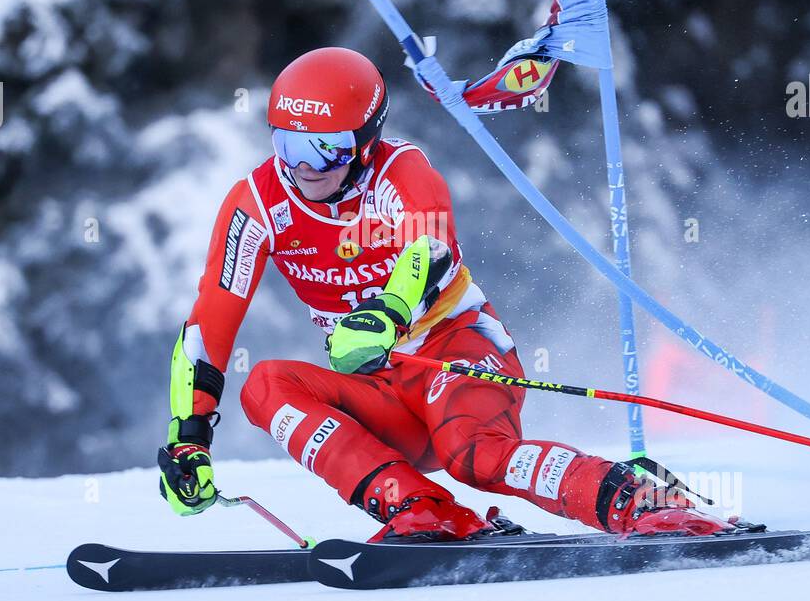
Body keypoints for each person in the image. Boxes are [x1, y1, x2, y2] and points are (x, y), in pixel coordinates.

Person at [158, 46, 730, 540]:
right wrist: (189, 438)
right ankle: (422, 511)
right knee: (266, 385)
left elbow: (428, 250)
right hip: (384, 390)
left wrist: (387, 312)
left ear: (364, 141)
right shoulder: (258, 204)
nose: (304, 169)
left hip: (458, 352)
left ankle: (638, 500)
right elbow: (209, 326)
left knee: (472, 455)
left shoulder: (400, 172)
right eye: (289, 146)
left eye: (324, 150)